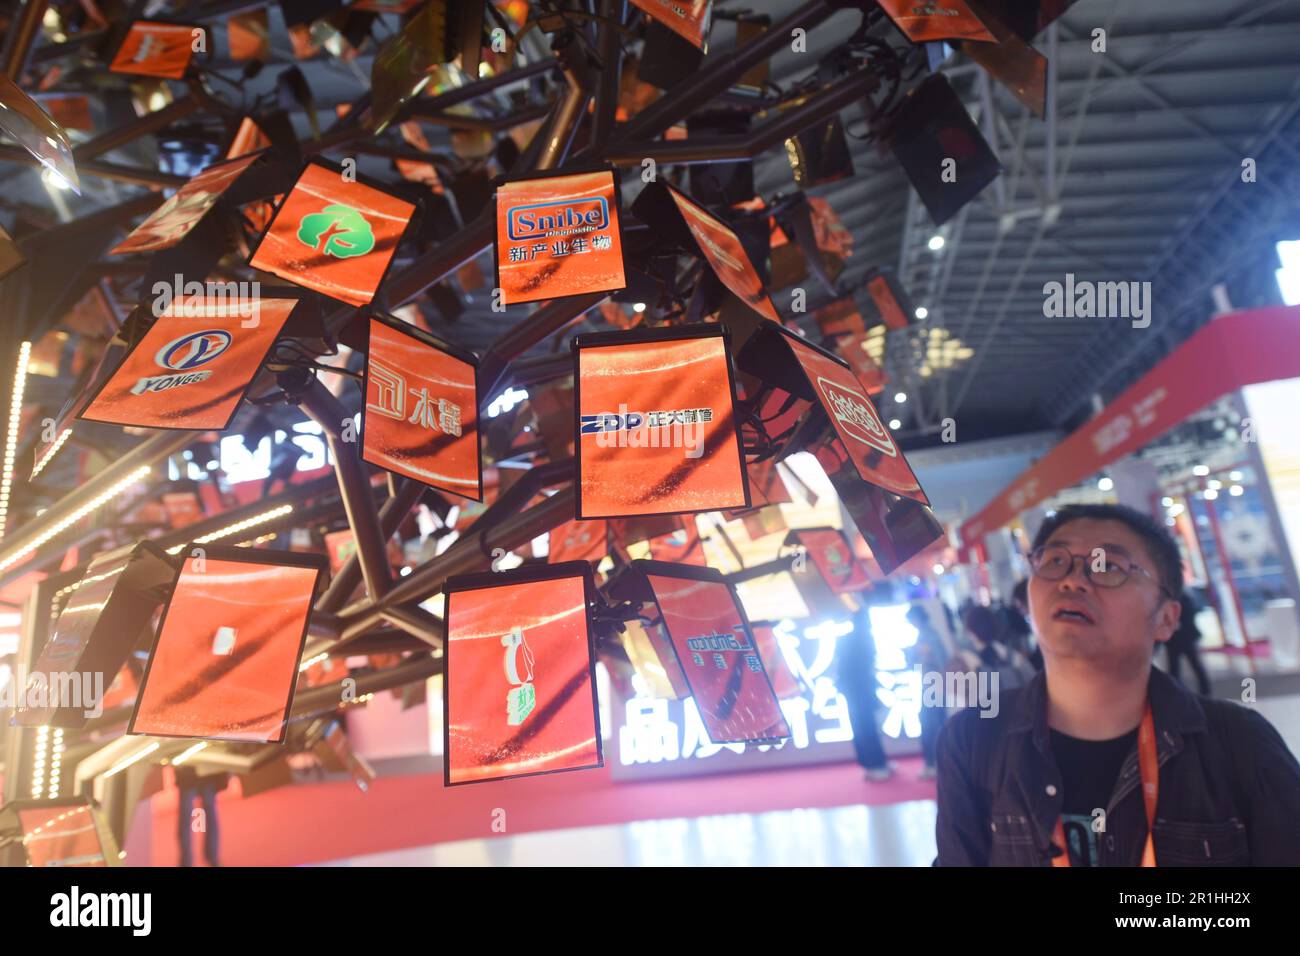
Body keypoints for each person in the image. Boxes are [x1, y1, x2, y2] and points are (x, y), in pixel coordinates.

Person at [935, 503, 1300, 866]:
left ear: (1167, 618)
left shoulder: (1239, 745)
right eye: (1054, 561)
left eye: (1107, 566)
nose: (1072, 579)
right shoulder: (973, 740)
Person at [840, 599, 892, 781]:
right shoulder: (860, 640)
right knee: (866, 728)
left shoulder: (850, 640)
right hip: (859, 692)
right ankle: (875, 764)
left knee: (864, 727)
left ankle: (875, 763)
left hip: (857, 692)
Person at [908, 603, 950, 779]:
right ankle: (939, 762)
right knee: (936, 722)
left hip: (932, 683)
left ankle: (934, 763)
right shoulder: (929, 634)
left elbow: (940, 659)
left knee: (930, 723)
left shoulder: (927, 636)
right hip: (934, 682)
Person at [175, 764, 228, 867]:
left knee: (189, 819)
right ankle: (208, 858)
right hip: (193, 773)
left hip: (200, 772)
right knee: (202, 817)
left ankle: (209, 858)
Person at [1164, 589, 1211, 696]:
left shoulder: (1183, 598)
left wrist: (1179, 625)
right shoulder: (1167, 600)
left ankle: (1205, 692)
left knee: (1195, 665)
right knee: (1174, 669)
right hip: (1173, 640)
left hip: (1185, 638)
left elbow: (1190, 616)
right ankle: (1176, 694)